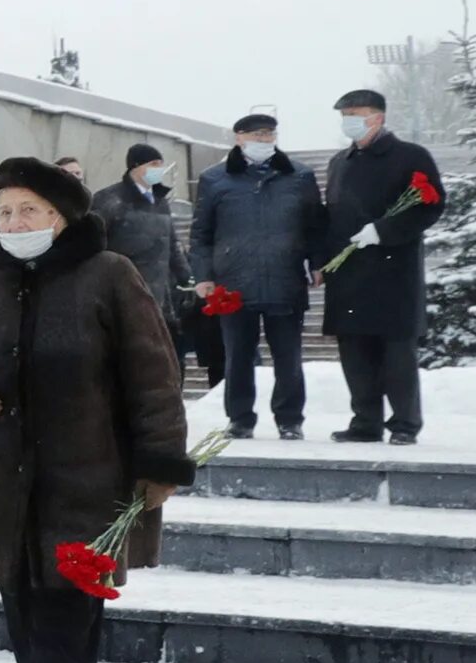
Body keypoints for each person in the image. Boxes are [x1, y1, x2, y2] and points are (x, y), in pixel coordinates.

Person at [0, 158, 194, 663]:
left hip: (90, 473)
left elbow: (154, 376)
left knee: (73, 595)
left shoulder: (110, 276)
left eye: (29, 209)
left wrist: (161, 463)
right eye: (5, 211)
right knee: (21, 598)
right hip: (1, 477)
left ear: (62, 216)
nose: (15, 221)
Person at [321, 88, 446, 446]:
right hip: (347, 273)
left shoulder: (410, 156)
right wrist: (321, 259)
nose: (349, 121)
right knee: (356, 355)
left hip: (393, 271)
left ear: (378, 116)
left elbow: (430, 205)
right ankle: (365, 422)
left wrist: (384, 230)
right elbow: (331, 215)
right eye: (344, 115)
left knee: (396, 355)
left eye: (356, 113)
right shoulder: (339, 162)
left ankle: (405, 424)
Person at [190, 111, 323, 440]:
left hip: (285, 278)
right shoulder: (215, 179)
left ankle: (290, 419)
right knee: (237, 357)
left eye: (269, 134)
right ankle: (240, 418)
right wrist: (203, 275)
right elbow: (201, 233)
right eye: (256, 134)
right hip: (233, 282)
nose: (264, 140)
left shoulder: (299, 177)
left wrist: (318, 262)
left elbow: (317, 226)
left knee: (288, 356)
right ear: (239, 138)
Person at [93, 141, 194, 364]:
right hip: (123, 289)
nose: (159, 169)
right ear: (135, 167)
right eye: (153, 164)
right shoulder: (110, 200)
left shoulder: (159, 201)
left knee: (163, 356)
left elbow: (172, 243)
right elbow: (93, 242)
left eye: (161, 164)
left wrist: (187, 276)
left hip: (160, 293)